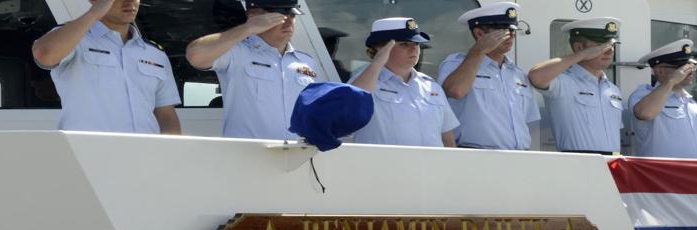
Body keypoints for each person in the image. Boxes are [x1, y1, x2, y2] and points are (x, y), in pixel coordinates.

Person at [31, 0, 181, 134]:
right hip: (89, 154)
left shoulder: (154, 53)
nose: (129, 2)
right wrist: (94, 13)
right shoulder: (75, 40)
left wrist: (172, 157)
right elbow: (44, 53)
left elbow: (166, 115)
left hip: (146, 155)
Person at [186, 1, 320, 140]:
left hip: (298, 155)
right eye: (279, 17)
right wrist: (247, 28)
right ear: (253, 16)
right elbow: (195, 55)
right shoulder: (236, 53)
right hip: (249, 155)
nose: (288, 23)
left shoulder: (306, 62)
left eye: (292, 16)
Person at [437, 3, 540, 150]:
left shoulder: (518, 74)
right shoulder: (457, 63)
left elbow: (529, 121)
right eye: (502, 30)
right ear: (479, 33)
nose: (510, 35)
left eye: (512, 30)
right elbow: (456, 90)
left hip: (519, 157)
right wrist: (478, 51)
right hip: (476, 156)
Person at [349, 17, 458, 147]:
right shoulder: (365, 82)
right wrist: (378, 62)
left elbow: (447, 138)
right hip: (386, 165)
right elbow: (351, 104)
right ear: (380, 48)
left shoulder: (431, 86)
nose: (414, 49)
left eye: (416, 44)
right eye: (404, 44)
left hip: (432, 165)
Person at [528, 17, 624, 154]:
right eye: (601, 46)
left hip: (613, 163)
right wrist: (582, 55)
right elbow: (536, 76)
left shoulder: (613, 90)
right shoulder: (564, 82)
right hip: (578, 163)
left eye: (611, 45)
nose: (609, 51)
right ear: (578, 47)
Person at [625, 40, 697, 159]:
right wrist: (671, 81)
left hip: (696, 173)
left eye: (691, 66)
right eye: (682, 67)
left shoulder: (692, 103)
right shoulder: (643, 94)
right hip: (661, 173)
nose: (690, 70)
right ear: (660, 70)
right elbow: (645, 113)